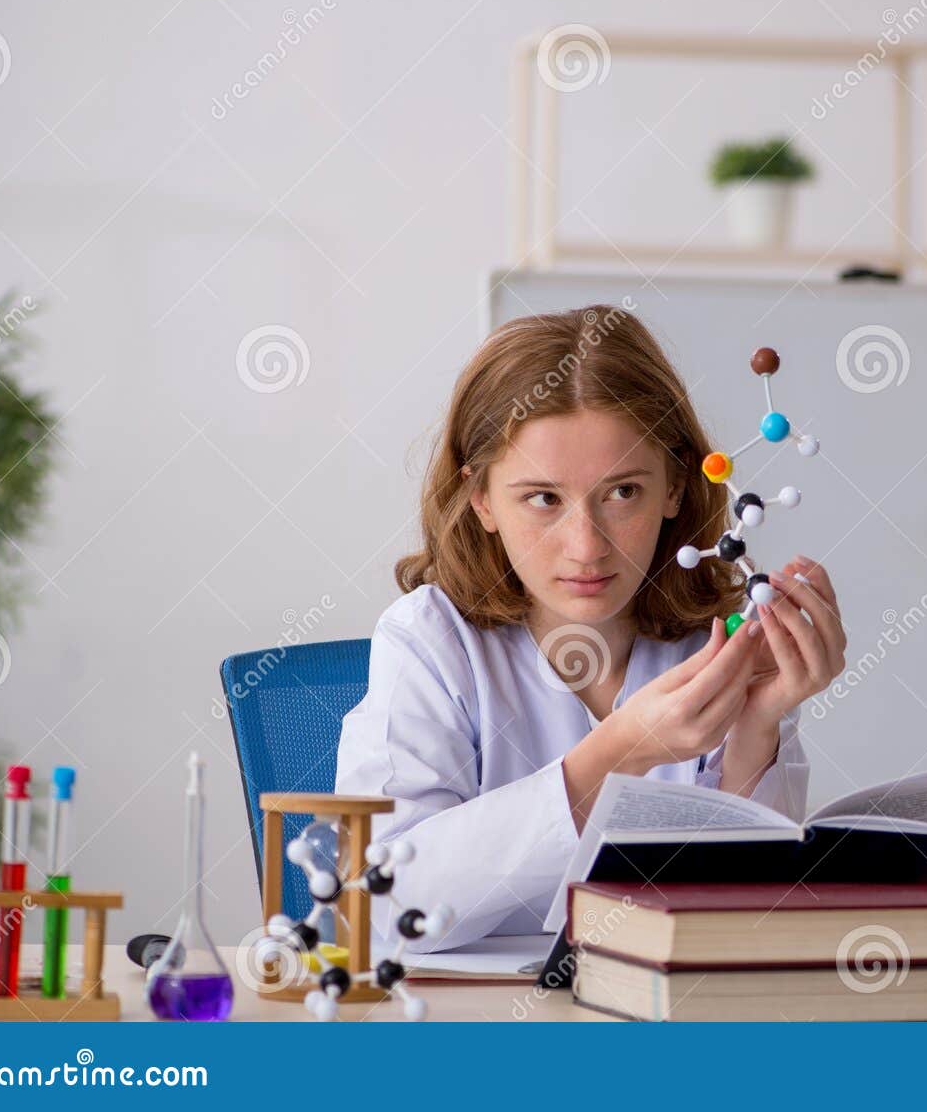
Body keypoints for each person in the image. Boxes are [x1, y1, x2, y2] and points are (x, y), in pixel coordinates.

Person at [334, 303, 846, 950]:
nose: (586, 546)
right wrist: (618, 754)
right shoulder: (429, 641)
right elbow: (387, 909)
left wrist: (758, 725)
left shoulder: (719, 642)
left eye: (623, 492)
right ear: (481, 498)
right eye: (543, 499)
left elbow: (746, 928)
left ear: (676, 488)